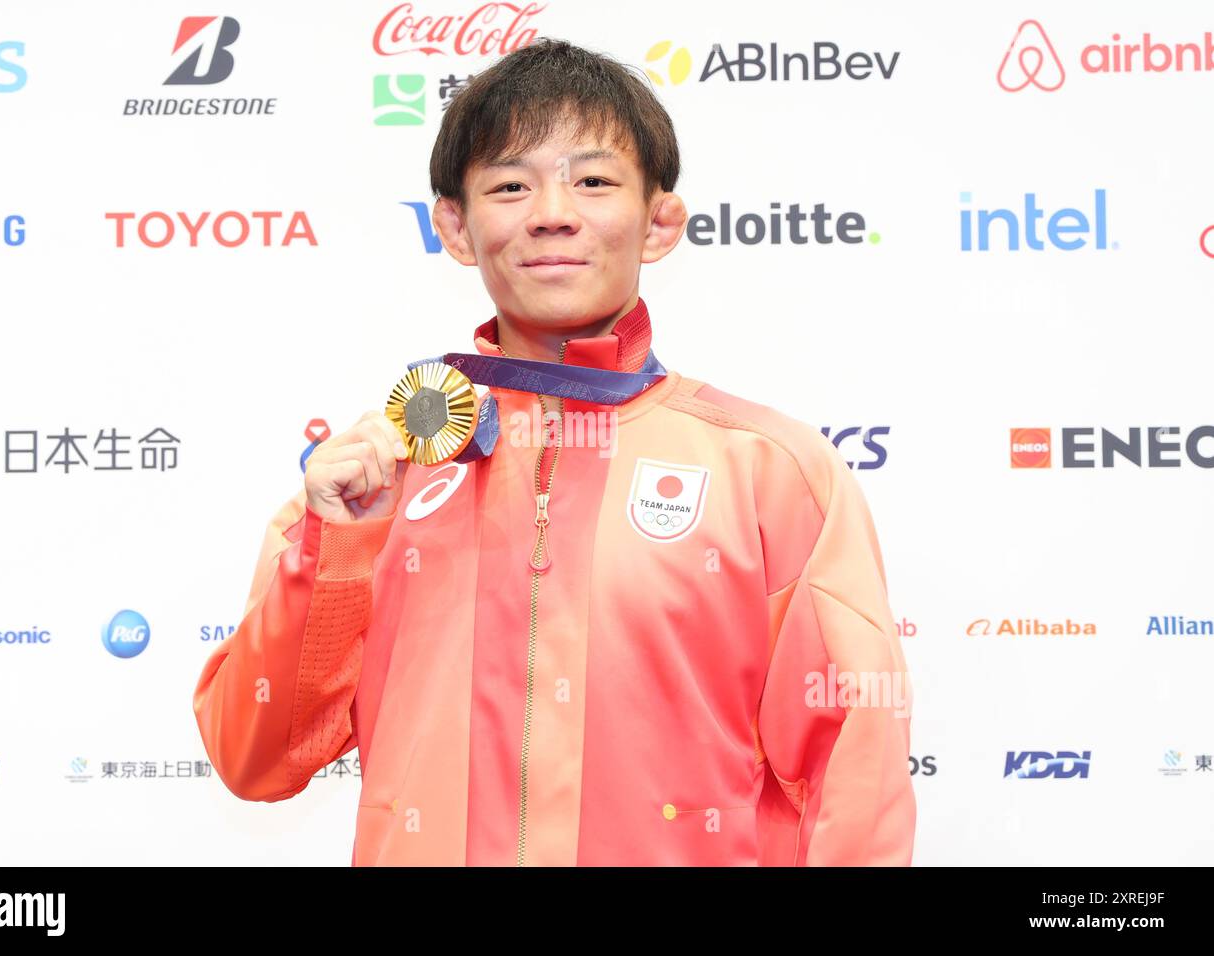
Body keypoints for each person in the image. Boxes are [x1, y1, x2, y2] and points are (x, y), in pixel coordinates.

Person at [192, 37, 916, 866]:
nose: (551, 212)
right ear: (455, 228)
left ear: (660, 220)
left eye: (594, 180)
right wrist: (338, 550)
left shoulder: (771, 471)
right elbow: (254, 761)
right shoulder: (375, 478)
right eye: (510, 185)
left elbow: (851, 776)